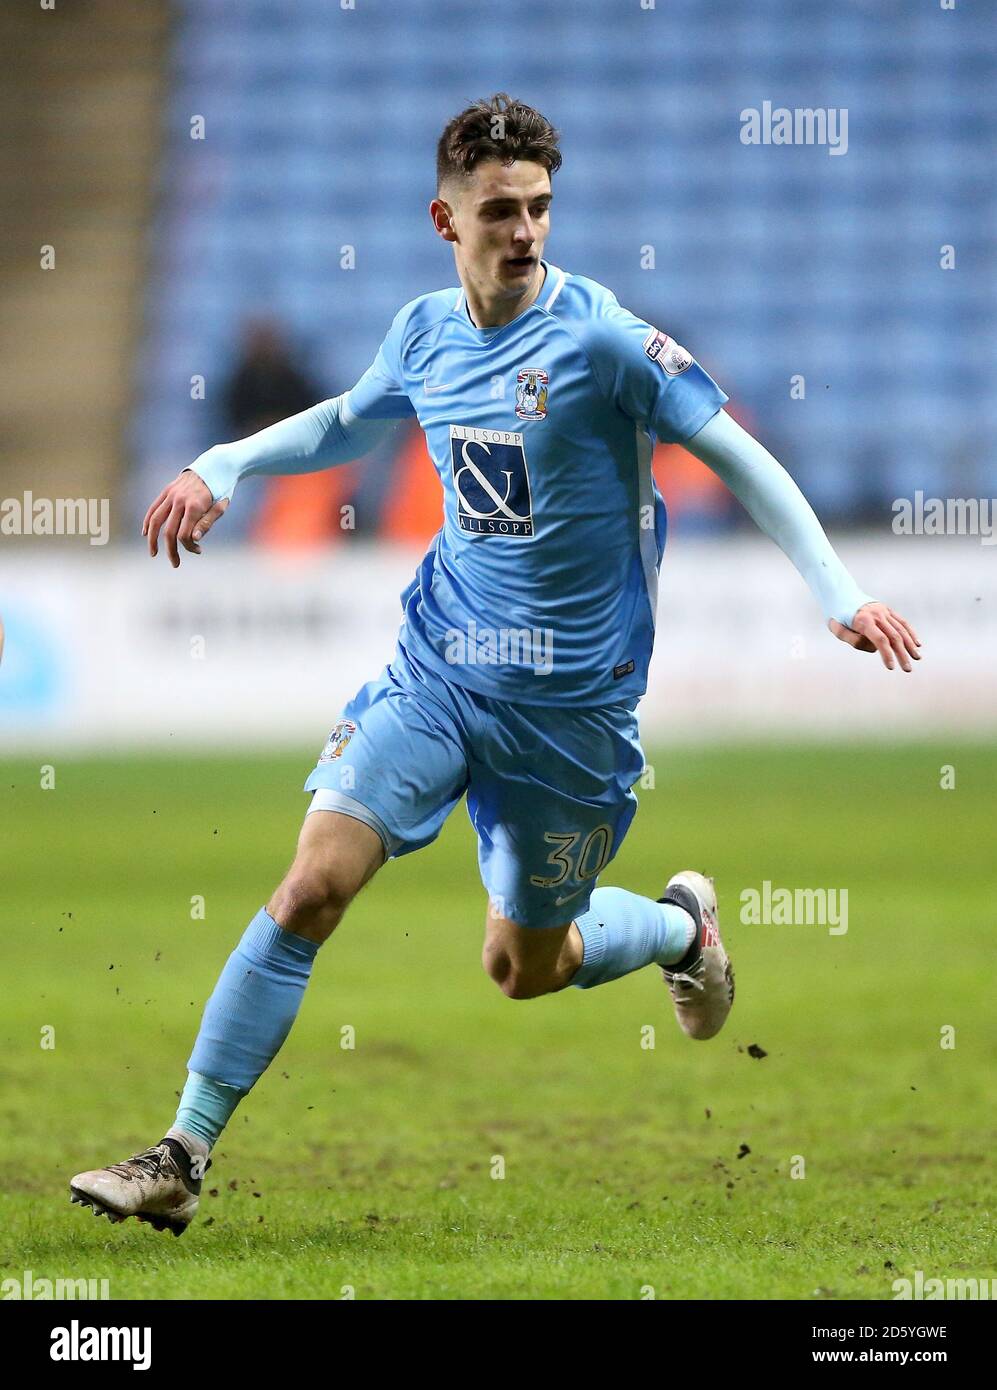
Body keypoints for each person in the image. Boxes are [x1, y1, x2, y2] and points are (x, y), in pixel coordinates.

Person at [70, 94, 920, 1236]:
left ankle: (679, 929)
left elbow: (739, 453)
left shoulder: (606, 342)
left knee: (526, 965)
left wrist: (839, 593)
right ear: (445, 217)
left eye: (539, 209)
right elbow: (350, 422)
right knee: (311, 883)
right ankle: (181, 1149)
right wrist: (225, 461)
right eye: (500, 211)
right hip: (441, 672)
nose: (524, 231)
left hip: (571, 715)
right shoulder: (423, 332)